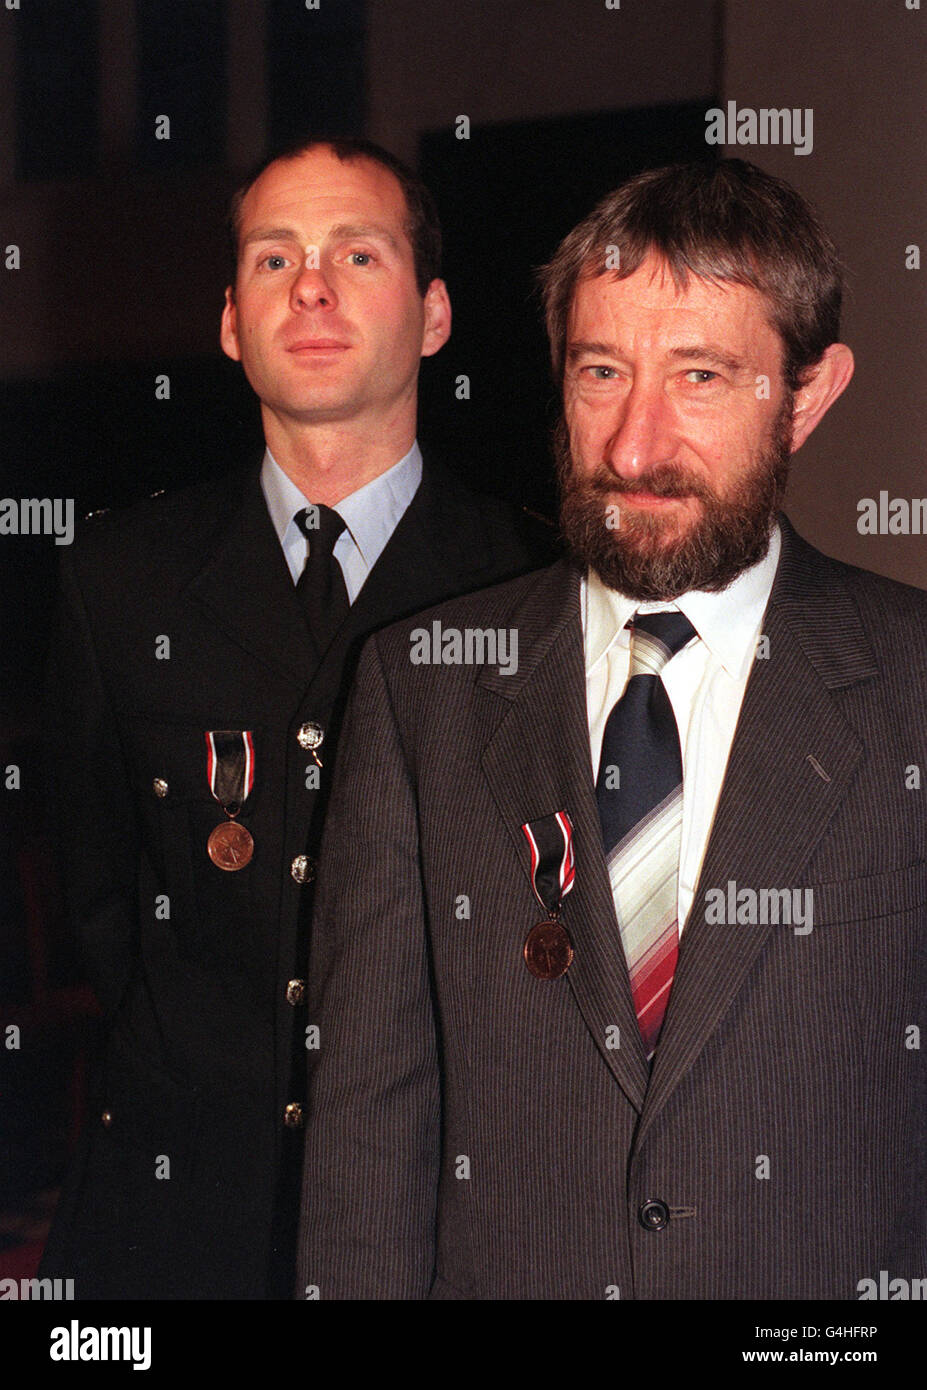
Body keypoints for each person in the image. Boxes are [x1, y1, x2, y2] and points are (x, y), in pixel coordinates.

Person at [297, 159, 927, 1300]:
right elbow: (366, 1140)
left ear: (808, 393)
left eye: (699, 375)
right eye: (602, 372)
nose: (634, 447)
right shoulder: (420, 691)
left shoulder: (912, 686)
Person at [39, 136, 552, 1299]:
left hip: (441, 1211)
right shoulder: (118, 581)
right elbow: (104, 905)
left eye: (355, 254)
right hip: (177, 1217)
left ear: (432, 315)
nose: (309, 285)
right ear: (230, 323)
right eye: (275, 259)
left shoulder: (532, 581)